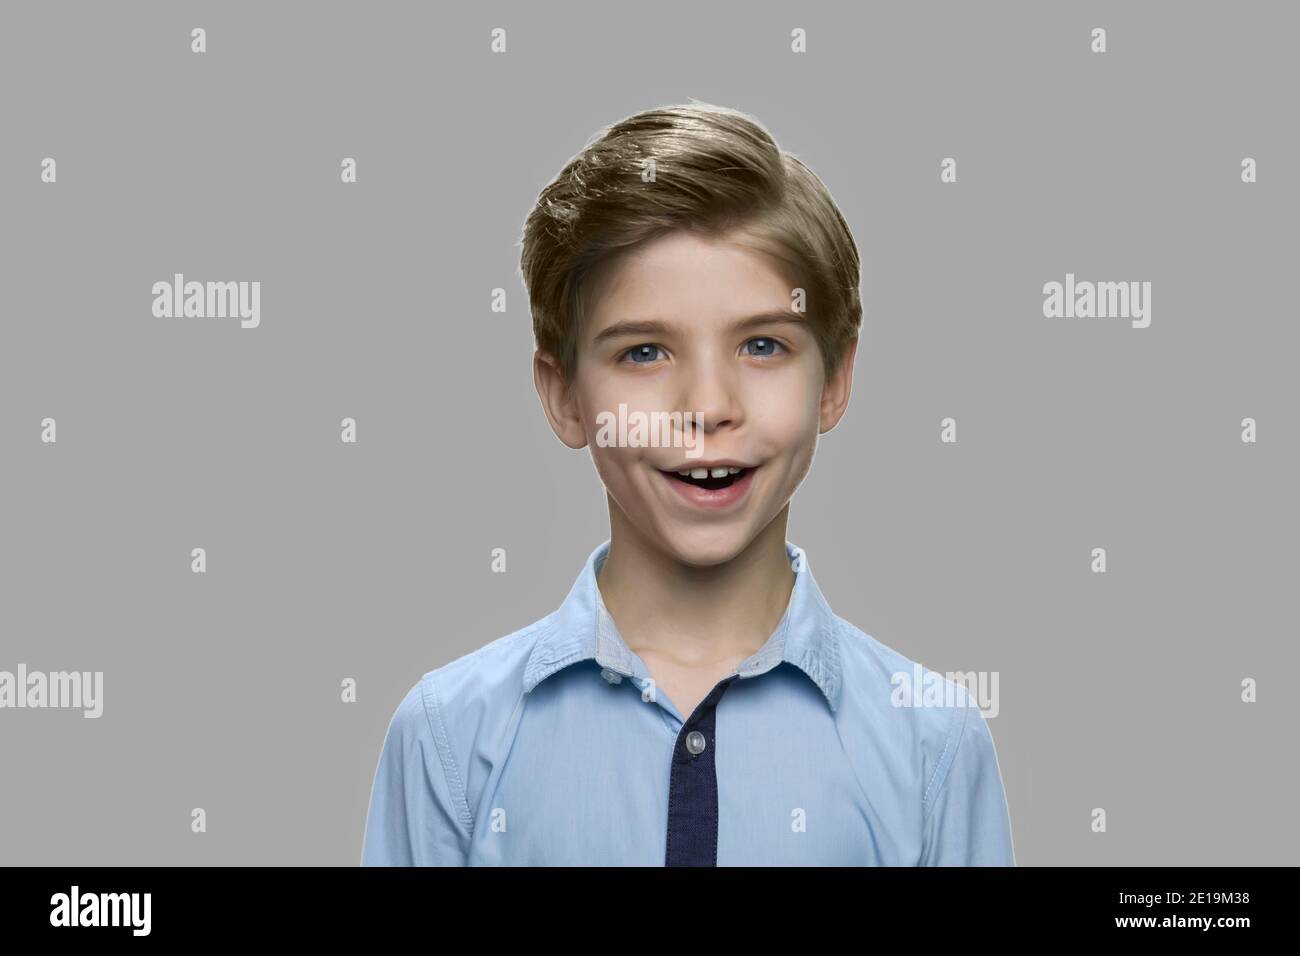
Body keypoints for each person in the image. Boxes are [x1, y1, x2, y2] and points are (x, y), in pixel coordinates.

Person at [361, 102, 1014, 865]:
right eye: (644, 352)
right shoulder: (448, 738)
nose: (707, 409)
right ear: (563, 394)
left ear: (835, 379)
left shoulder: (932, 744)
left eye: (763, 344)